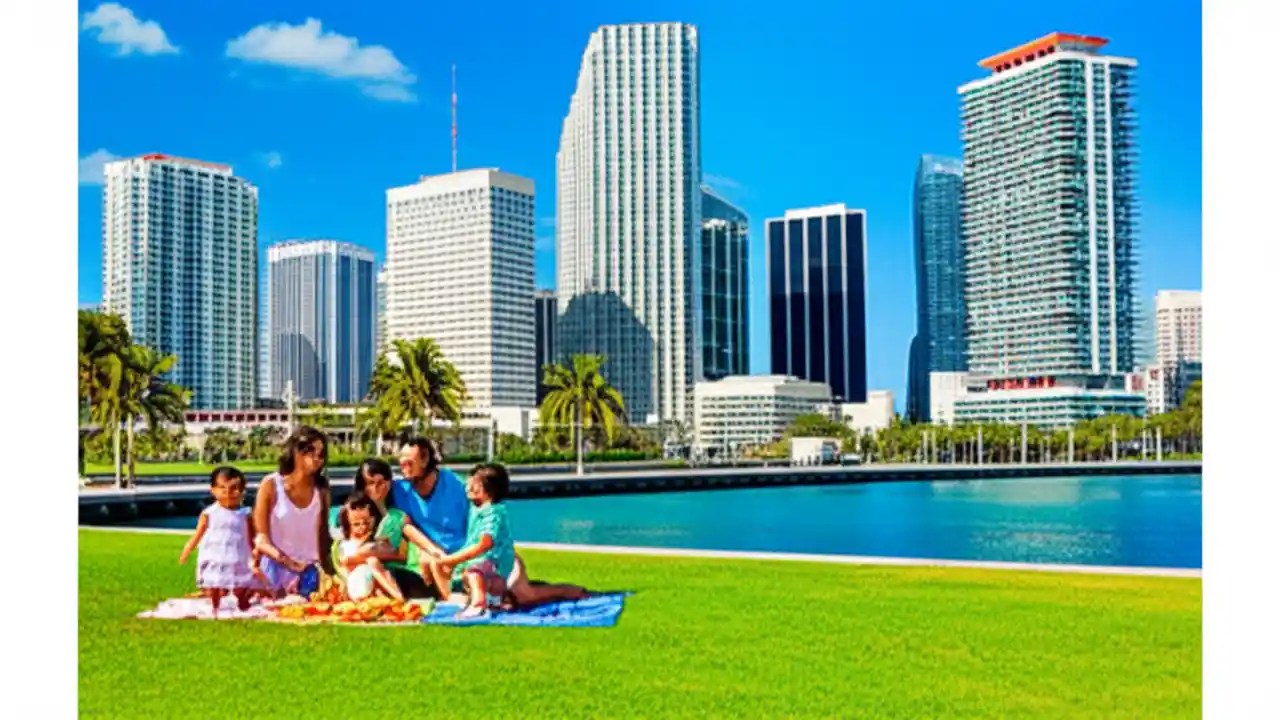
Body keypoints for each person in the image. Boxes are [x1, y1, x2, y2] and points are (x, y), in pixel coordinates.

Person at [391, 437, 588, 607]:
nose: (402, 465)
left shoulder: (457, 485)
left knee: (524, 595)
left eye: (409, 461)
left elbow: (490, 520)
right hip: (446, 562)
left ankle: (571, 591)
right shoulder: (400, 490)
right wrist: (433, 551)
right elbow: (403, 523)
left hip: (475, 557)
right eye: (401, 460)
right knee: (461, 595)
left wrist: (501, 553)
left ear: (425, 459)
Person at [329, 458, 439, 599]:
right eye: (370, 483)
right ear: (362, 486)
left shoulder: (396, 516)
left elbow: (403, 551)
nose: (376, 488)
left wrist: (430, 551)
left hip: (399, 573)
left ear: (388, 483)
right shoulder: (355, 513)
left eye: (381, 482)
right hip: (367, 574)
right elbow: (345, 553)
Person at [424, 463, 516, 617]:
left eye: (475, 485)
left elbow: (485, 543)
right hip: (486, 561)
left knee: (474, 572)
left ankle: (478, 603)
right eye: (470, 483)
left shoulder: (493, 512)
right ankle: (495, 600)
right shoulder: (477, 506)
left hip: (495, 559)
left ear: (490, 490)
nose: (468, 487)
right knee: (466, 574)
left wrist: (453, 559)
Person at [253, 426, 332, 598]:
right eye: (311, 452)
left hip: (309, 573)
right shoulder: (271, 485)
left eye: (321, 454)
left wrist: (331, 573)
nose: (317, 459)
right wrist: (288, 562)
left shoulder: (321, 491)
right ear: (296, 451)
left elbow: (323, 537)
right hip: (274, 569)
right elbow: (261, 538)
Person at [178, 466, 264, 614]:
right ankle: (215, 605)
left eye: (234, 489)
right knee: (215, 582)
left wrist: (256, 551)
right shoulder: (209, 513)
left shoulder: (245, 514)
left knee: (242, 582)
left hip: (239, 553)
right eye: (223, 488)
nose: (229, 493)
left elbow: (252, 535)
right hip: (215, 554)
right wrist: (188, 549)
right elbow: (198, 533)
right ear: (213, 490)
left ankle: (242, 601)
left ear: (243, 491)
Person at [336, 493, 403, 602]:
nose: (362, 527)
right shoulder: (346, 544)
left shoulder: (374, 540)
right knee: (373, 561)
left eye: (366, 523)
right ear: (348, 525)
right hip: (357, 586)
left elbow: (394, 553)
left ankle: (394, 596)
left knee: (375, 563)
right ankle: (398, 597)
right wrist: (366, 552)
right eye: (356, 524)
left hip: (374, 584)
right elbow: (347, 562)